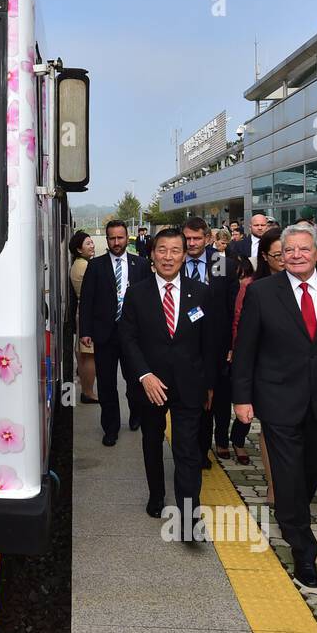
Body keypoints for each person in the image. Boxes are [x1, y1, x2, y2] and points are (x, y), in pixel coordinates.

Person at [233, 224, 317, 589]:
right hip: (278, 400)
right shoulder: (262, 292)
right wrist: (242, 399)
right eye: (288, 250)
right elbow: (246, 350)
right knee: (288, 475)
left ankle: (295, 511)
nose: (295, 255)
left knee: (314, 468)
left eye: (303, 249)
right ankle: (302, 549)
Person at [118, 228, 217, 536]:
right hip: (151, 385)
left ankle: (189, 518)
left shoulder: (201, 292)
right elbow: (127, 339)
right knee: (152, 440)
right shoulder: (137, 293)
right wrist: (144, 375)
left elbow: (209, 343)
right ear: (152, 253)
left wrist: (208, 384)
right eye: (163, 250)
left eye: (176, 250)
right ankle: (157, 494)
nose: (169, 257)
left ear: (184, 254)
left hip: (189, 385)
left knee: (187, 450)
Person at [78, 219, 152, 446]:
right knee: (107, 384)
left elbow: (148, 301)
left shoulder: (140, 264)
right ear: (107, 239)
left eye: (120, 238)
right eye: (112, 238)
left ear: (126, 237)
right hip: (105, 335)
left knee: (134, 381)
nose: (116, 242)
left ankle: (136, 414)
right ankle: (110, 428)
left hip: (133, 336)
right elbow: (87, 300)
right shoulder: (96, 265)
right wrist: (85, 331)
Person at [227, 229, 284, 506]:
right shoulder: (251, 287)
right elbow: (240, 326)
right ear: (265, 256)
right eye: (279, 254)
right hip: (265, 369)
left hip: (302, 371)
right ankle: (274, 485)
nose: (288, 258)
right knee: (271, 427)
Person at [182, 216, 238, 468]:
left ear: (207, 239)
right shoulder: (174, 261)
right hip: (182, 344)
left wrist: (230, 345)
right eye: (187, 238)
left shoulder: (221, 264)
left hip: (214, 345)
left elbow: (230, 306)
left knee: (209, 400)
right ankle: (187, 449)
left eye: (197, 238)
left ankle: (202, 450)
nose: (191, 243)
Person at [68, 230, 99, 404]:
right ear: (79, 249)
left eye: (92, 242)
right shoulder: (84, 266)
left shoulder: (79, 263)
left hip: (83, 311)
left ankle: (87, 391)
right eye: (88, 243)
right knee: (89, 355)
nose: (92, 245)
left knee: (83, 354)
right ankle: (88, 392)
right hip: (89, 312)